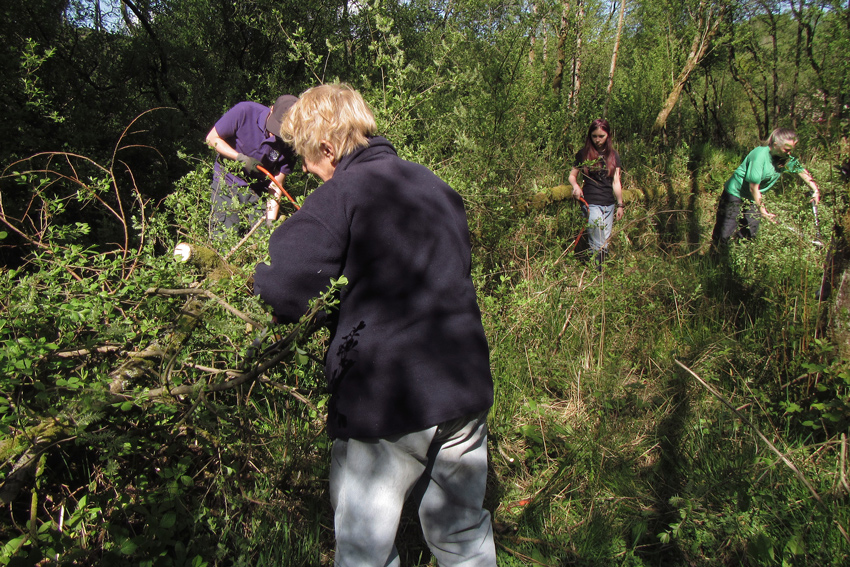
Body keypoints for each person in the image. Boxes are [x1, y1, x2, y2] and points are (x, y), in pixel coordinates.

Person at [252, 84, 496, 567]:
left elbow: (280, 283)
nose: (304, 169)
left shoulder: (344, 190)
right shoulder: (435, 186)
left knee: (365, 556)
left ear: (328, 148)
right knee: (464, 538)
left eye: (306, 156)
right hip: (464, 392)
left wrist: (268, 289)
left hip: (390, 401)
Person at [711, 128, 820, 249]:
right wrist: (763, 211)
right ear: (775, 144)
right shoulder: (760, 155)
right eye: (786, 149)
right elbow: (753, 187)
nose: (789, 153)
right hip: (735, 194)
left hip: (753, 198)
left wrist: (815, 190)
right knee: (725, 231)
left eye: (791, 150)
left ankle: (739, 260)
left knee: (750, 233)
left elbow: (802, 172)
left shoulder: (784, 158)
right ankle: (715, 259)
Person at [205, 95, 298, 236]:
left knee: (261, 240)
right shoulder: (245, 111)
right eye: (275, 126)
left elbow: (276, 184)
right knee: (224, 236)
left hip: (256, 192)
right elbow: (212, 139)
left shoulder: (290, 143)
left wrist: (270, 220)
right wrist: (240, 158)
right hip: (227, 183)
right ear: (271, 109)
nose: (274, 133)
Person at [568, 119, 624, 268]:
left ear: (608, 136)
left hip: (609, 204)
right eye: (594, 136)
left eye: (601, 136)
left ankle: (596, 276)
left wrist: (620, 204)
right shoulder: (583, 154)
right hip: (591, 202)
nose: (597, 140)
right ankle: (596, 275)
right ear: (589, 136)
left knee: (604, 243)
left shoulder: (613, 156)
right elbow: (572, 176)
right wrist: (576, 186)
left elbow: (616, 182)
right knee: (597, 242)